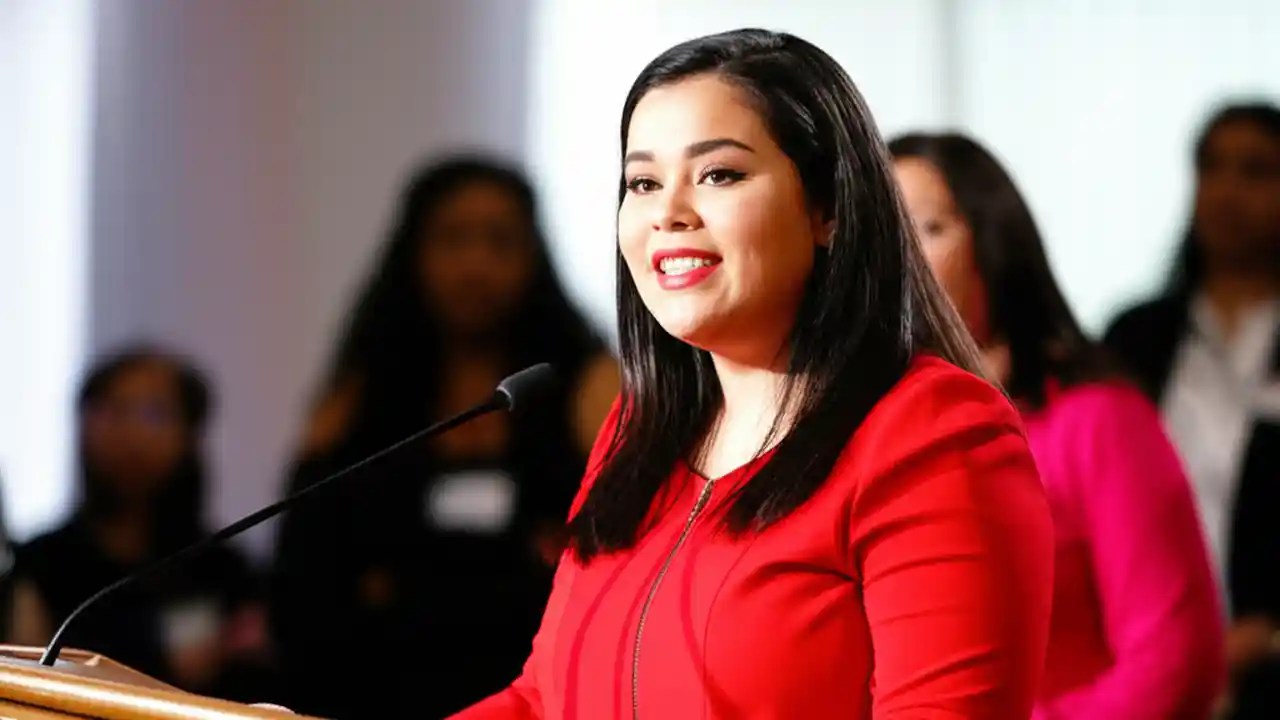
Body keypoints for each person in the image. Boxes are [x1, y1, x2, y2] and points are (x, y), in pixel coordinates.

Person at [452, 29, 1054, 719]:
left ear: (827, 209)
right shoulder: (640, 430)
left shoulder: (933, 435)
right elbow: (542, 700)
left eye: (719, 175)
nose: (668, 214)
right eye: (643, 182)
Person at [270, 158, 619, 719]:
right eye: (453, 238)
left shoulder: (586, 384)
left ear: (533, 256)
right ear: (414, 255)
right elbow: (305, 585)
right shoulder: (360, 397)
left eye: (499, 241)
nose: (475, 264)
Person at [891, 132, 1225, 718]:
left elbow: (1176, 661)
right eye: (880, 235)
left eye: (928, 229)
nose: (899, 259)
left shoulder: (1096, 419)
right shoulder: (860, 424)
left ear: (992, 247)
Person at [1103, 102, 1280, 717]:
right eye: (1213, 168)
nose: (1228, 191)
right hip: (1145, 658)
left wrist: (1266, 636)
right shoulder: (1136, 336)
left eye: (1256, 171)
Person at [8, 347, 268, 699]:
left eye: (154, 413)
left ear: (190, 434)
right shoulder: (40, 564)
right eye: (112, 410)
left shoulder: (224, 570)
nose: (130, 433)